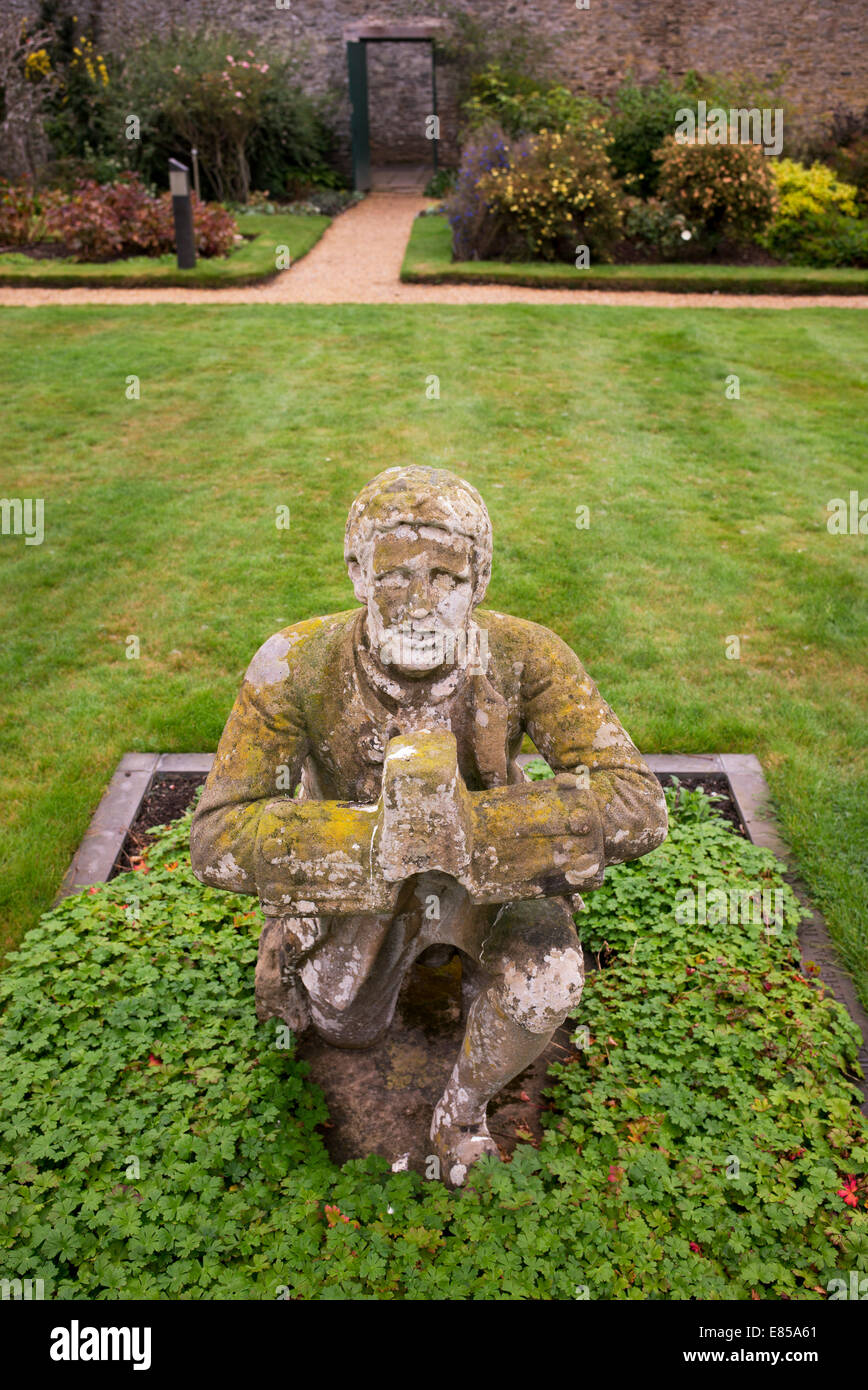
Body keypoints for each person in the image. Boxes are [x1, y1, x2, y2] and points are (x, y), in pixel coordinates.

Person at [191, 466, 667, 1185]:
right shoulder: (293, 664)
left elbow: (637, 802)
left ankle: (464, 1110)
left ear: (480, 579)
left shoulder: (525, 653)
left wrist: (478, 830)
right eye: (393, 575)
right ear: (357, 573)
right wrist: (367, 842)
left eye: (445, 576)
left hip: (494, 873)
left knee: (549, 982)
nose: (419, 602)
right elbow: (219, 834)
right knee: (346, 1029)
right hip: (359, 884)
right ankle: (295, 942)